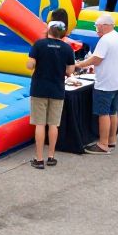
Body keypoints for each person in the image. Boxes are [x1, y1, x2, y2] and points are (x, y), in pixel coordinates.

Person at [74, 13, 118, 153]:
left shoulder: (105, 40)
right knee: (113, 112)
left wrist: (79, 64)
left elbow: (96, 59)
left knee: (103, 114)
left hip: (106, 83)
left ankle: (103, 144)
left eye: (97, 26)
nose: (96, 29)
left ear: (104, 26)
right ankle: (112, 140)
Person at [27, 21, 76, 169]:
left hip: (39, 88)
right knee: (54, 124)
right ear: (62, 33)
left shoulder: (39, 44)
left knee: (40, 124)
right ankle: (51, 157)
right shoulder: (67, 48)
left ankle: (39, 159)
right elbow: (70, 71)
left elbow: (30, 65)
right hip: (57, 89)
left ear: (48, 30)